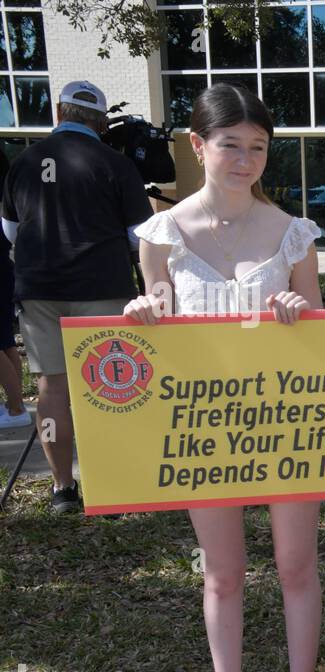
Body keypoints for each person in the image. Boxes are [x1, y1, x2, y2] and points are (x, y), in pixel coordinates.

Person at [123, 83, 325, 672]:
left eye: (259, 147)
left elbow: (321, 344)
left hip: (286, 423)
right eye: (231, 145)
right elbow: (155, 320)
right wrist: (143, 317)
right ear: (197, 145)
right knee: (224, 573)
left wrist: (299, 311)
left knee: (296, 565)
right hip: (201, 428)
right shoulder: (162, 235)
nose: (245, 160)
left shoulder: (294, 233)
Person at [0, 81, 154, 503]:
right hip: (102, 287)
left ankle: (62, 488)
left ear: (58, 113)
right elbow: (141, 238)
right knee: (109, 387)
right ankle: (111, 488)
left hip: (39, 290)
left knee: (53, 385)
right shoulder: (115, 164)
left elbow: (9, 231)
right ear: (101, 122)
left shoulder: (23, 162)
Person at [0, 148, 29, 430]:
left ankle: (17, 406)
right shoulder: (8, 181)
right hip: (5, 267)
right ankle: (14, 403)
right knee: (5, 341)